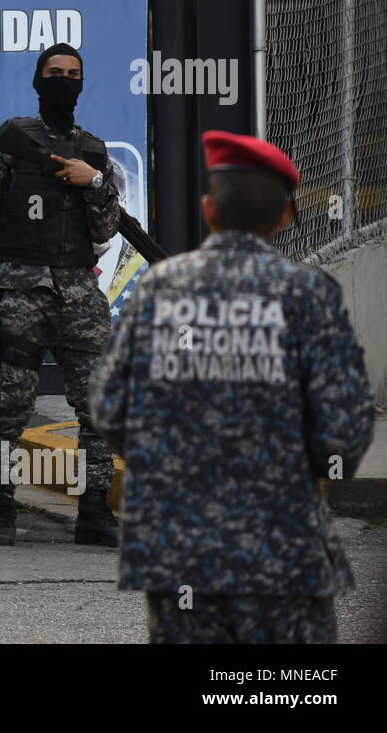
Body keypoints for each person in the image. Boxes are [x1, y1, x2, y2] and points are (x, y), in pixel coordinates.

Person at [91, 132, 375, 644]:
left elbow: (111, 410)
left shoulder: (160, 288)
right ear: (285, 216)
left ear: (209, 210)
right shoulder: (308, 293)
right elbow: (346, 429)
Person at [0, 42, 122, 547]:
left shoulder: (94, 153)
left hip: (79, 293)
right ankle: (0, 511)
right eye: (55, 73)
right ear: (38, 80)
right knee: (8, 408)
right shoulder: (9, 144)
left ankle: (93, 513)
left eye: (73, 73)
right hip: (21, 289)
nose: (64, 81)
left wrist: (92, 182)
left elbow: (107, 227)